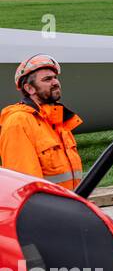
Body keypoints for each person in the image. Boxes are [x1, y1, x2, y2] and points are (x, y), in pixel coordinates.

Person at [0, 54, 83, 189]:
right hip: (47, 209)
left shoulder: (56, 122)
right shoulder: (18, 122)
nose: (55, 82)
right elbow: (26, 186)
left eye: (55, 78)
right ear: (29, 88)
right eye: (47, 79)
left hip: (70, 206)